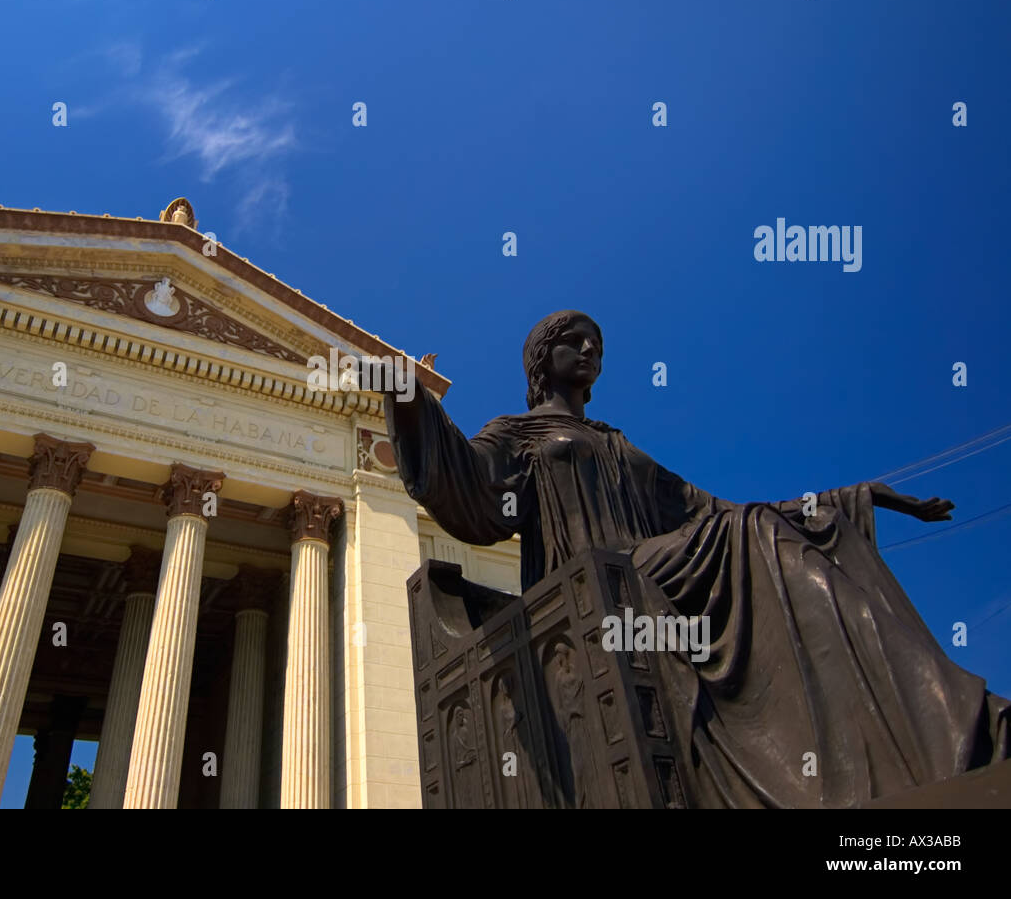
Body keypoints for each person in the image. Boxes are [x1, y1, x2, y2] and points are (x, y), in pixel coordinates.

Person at [385, 309, 1008, 807]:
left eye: (595, 343)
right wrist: (412, 402)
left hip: (659, 566)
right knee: (752, 538)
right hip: (588, 582)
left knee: (775, 538)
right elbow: (467, 487)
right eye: (574, 341)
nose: (590, 351)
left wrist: (846, 499)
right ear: (544, 359)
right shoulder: (516, 434)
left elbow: (707, 507)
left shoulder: (620, 444)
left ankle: (935, 731)